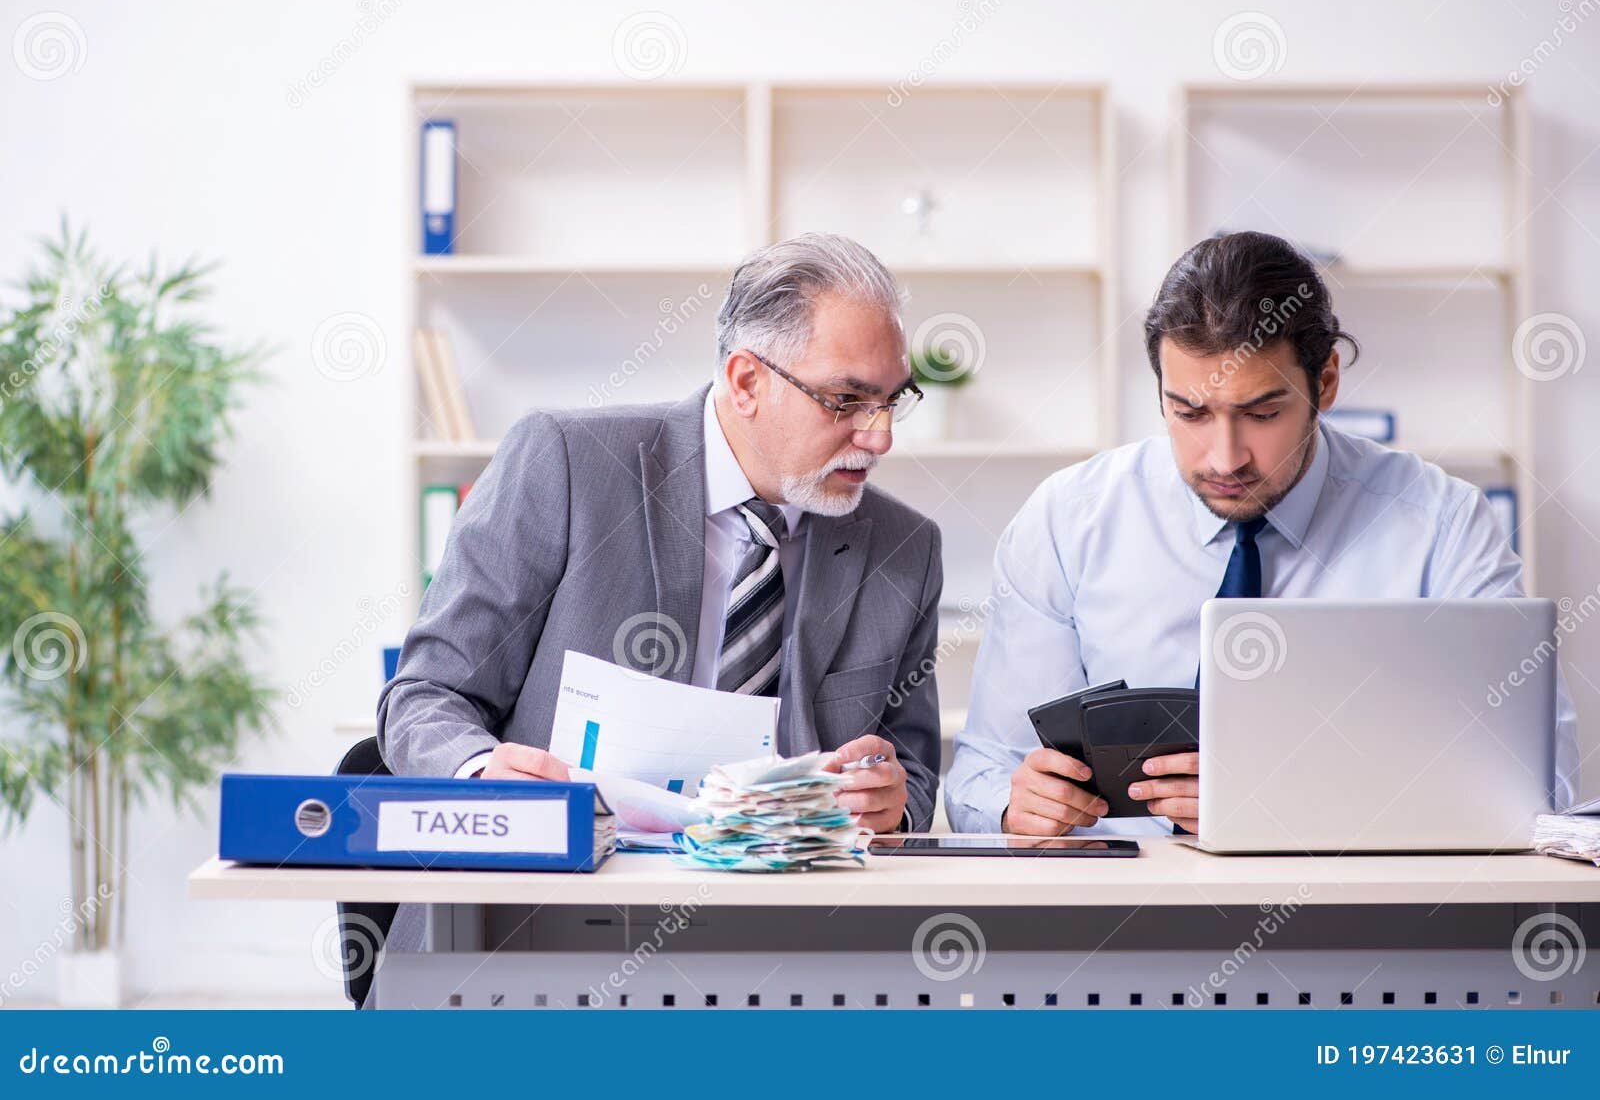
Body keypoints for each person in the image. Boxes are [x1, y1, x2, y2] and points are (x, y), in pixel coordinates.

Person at [945, 230, 1579, 836]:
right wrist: (1014, 805)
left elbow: (1536, 784)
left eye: (1263, 413)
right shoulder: (1068, 519)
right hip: (1126, 914)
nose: (1224, 458)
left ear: (1325, 382)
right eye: (1189, 412)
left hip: (1363, 914)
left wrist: (1294, 802)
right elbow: (980, 772)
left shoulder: (1442, 524)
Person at [378, 232, 943, 835]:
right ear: (747, 381)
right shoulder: (569, 465)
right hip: (557, 899)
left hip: (789, 909)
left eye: (892, 399)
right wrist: (482, 770)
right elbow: (424, 696)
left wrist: (891, 801)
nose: (879, 436)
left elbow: (911, 766)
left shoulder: (904, 548)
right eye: (847, 399)